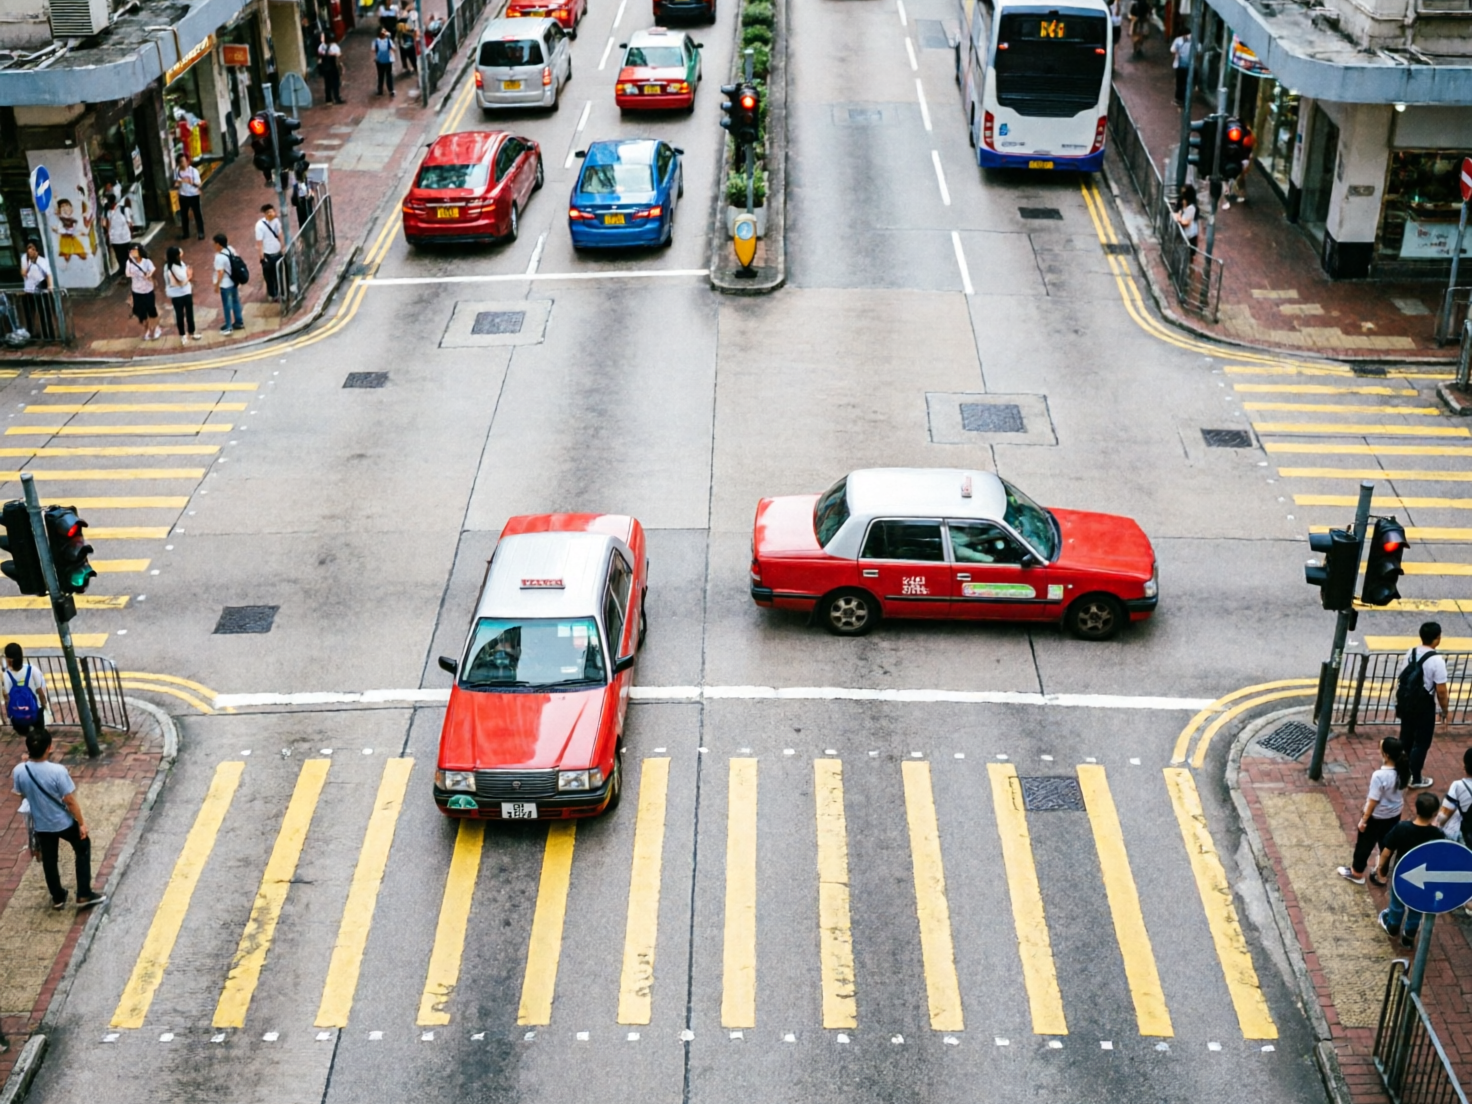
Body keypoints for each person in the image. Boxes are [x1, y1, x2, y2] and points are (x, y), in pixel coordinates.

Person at [11, 729, 106, 911]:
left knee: (49, 860)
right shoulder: (57, 771)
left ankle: (58, 897)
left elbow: (21, 794)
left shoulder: (19, 771)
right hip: (63, 822)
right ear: (49, 748)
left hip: (41, 825)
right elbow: (69, 800)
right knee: (83, 847)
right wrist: (81, 823)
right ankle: (84, 894)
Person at [1338, 736, 1410, 885]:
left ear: (1387, 755)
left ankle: (1357, 872)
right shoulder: (1404, 771)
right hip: (1394, 814)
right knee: (1386, 845)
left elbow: (1373, 801)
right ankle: (1381, 875)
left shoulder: (1380, 776)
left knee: (1364, 845)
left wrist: (1364, 820)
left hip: (1377, 816)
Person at [1377, 791, 1445, 948]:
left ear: (1416, 809)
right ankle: (1409, 935)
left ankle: (1393, 925)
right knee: (1417, 907)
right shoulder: (1437, 835)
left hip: (1401, 875)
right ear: (1435, 813)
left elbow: (1386, 852)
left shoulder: (1402, 828)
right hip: (1425, 879)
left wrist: (1382, 870)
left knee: (1396, 902)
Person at [1399, 621, 1449, 790]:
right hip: (1424, 707)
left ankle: (1401, 773)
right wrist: (1444, 711)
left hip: (1406, 703)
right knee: (1421, 743)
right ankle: (1416, 778)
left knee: (1406, 738)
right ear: (1437, 638)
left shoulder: (1410, 653)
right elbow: (1441, 692)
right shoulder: (1437, 661)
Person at [2, 643, 47, 736]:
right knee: (40, 733)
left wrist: (10, 714)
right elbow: (41, 692)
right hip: (35, 712)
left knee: (25, 735)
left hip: (18, 715)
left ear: (8, 660)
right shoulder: (32, 670)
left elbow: (7, 698)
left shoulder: (6, 675)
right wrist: (44, 706)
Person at [125, 242, 162, 342]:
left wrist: (149, 274)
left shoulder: (146, 262)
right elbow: (127, 274)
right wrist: (137, 274)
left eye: (135, 251)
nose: (132, 253)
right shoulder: (129, 262)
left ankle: (155, 328)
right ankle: (147, 329)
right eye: (131, 251)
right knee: (141, 312)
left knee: (151, 310)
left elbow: (153, 269)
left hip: (148, 290)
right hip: (137, 290)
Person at [163, 245, 199, 345]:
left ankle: (191, 332)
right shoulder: (172, 268)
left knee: (189, 313)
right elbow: (183, 279)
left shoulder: (178, 263)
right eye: (179, 253)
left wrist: (187, 274)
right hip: (177, 294)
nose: (181, 254)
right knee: (180, 315)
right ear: (176, 256)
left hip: (186, 292)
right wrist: (189, 275)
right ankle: (183, 335)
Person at [18, 239, 51, 339]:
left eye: (33, 248)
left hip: (39, 291)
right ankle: (31, 333)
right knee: (29, 313)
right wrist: (29, 263)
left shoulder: (42, 261)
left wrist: (49, 287)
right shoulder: (24, 258)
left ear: (37, 250)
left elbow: (48, 275)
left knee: (43, 313)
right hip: (28, 290)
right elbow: (23, 272)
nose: (30, 250)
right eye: (28, 248)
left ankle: (47, 334)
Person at [212, 233, 244, 335]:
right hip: (234, 281)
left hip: (225, 285)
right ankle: (239, 322)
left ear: (219, 245)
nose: (214, 246)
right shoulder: (231, 249)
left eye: (215, 243)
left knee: (227, 305)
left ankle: (228, 326)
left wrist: (217, 285)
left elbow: (220, 273)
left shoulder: (219, 257)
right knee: (236, 302)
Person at [255, 204, 285, 301]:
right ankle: (273, 294)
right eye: (268, 213)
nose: (271, 214)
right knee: (269, 276)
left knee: (279, 274)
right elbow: (259, 243)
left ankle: (281, 292)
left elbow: (280, 234)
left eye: (272, 211)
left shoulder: (276, 221)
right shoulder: (259, 226)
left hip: (278, 252)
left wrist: (283, 247)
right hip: (268, 255)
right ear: (264, 214)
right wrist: (262, 258)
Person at [174, 153, 204, 240]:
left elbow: (199, 184)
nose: (183, 163)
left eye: (184, 161)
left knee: (197, 214)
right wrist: (178, 184)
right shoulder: (177, 171)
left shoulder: (193, 171)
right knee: (184, 215)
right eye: (180, 162)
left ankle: (201, 232)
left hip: (193, 195)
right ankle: (185, 233)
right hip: (183, 195)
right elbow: (176, 183)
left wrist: (191, 182)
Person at [104, 195, 133, 281]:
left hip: (124, 238)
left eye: (110, 203)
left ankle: (127, 272)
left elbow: (130, 223)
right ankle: (123, 270)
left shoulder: (123, 209)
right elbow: (107, 224)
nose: (110, 205)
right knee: (119, 256)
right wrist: (108, 233)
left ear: (114, 202)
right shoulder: (109, 212)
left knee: (125, 256)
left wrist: (130, 233)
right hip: (114, 239)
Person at [318, 34, 346, 104]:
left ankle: (328, 99)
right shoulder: (334, 46)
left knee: (327, 83)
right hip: (333, 66)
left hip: (325, 67)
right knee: (335, 82)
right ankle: (336, 98)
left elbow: (319, 54)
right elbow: (339, 54)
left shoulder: (321, 46)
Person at [373, 26, 397, 97]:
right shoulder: (388, 41)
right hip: (387, 60)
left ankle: (380, 90)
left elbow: (375, 50)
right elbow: (394, 49)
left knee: (381, 75)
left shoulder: (376, 41)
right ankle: (391, 90)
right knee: (388, 74)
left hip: (380, 61)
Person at [1174, 184, 1199, 251]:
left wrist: (1179, 219)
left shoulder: (1192, 207)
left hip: (1190, 234)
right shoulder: (1183, 202)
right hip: (1185, 233)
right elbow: (1179, 211)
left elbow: (1187, 222)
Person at [1170, 30, 1192, 105]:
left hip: (1180, 64)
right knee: (1185, 82)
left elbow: (1172, 50)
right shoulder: (1193, 41)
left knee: (1180, 83)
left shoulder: (1178, 40)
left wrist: (1177, 53)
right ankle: (1184, 99)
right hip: (1189, 66)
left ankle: (1179, 99)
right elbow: (1199, 50)